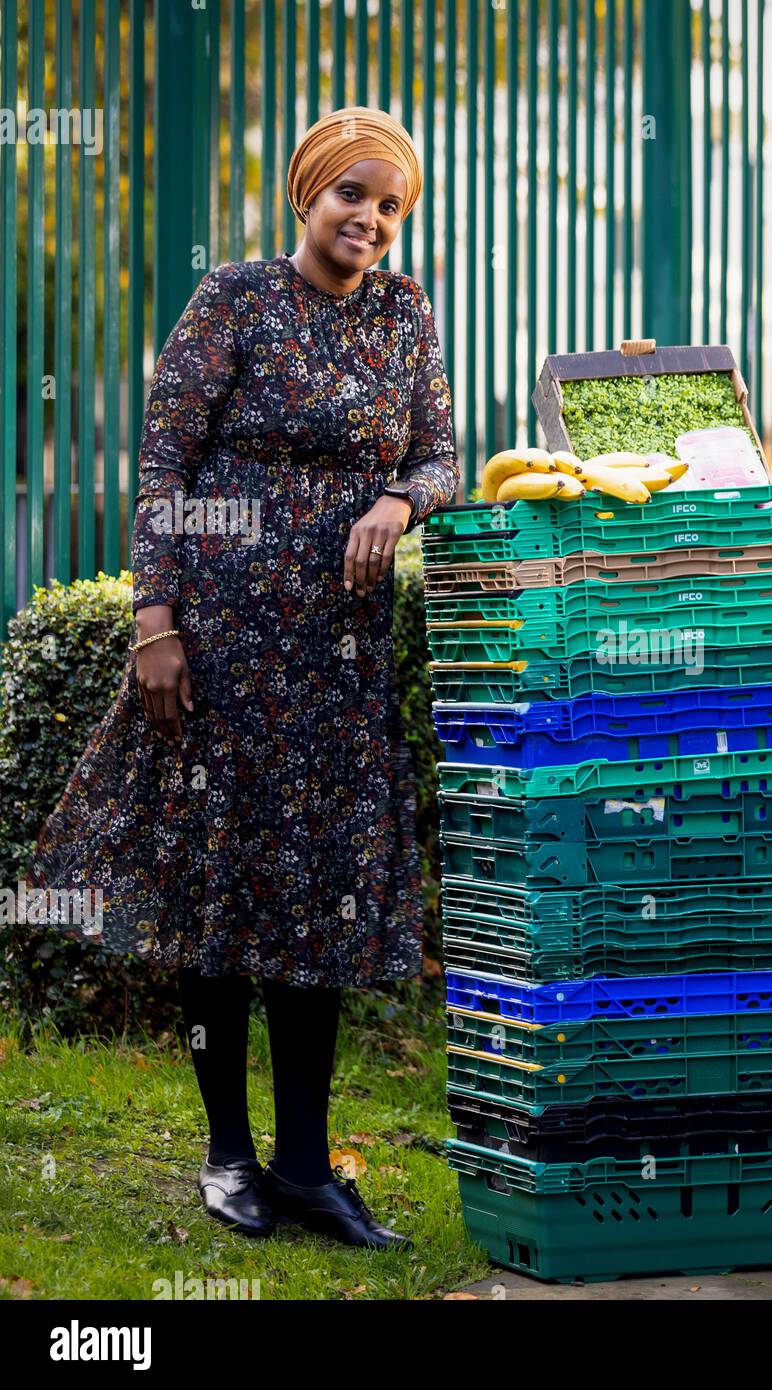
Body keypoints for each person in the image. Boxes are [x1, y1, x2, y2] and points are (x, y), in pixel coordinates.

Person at [26, 106, 459, 1249]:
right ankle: (229, 1157)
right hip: (221, 636)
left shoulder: (406, 314)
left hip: (339, 652)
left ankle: (309, 1165)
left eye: (390, 204)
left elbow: (440, 453)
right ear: (308, 195)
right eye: (352, 195)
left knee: (316, 888)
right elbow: (165, 455)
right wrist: (152, 619)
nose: (369, 219)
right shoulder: (233, 298)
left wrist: (396, 498)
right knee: (219, 894)